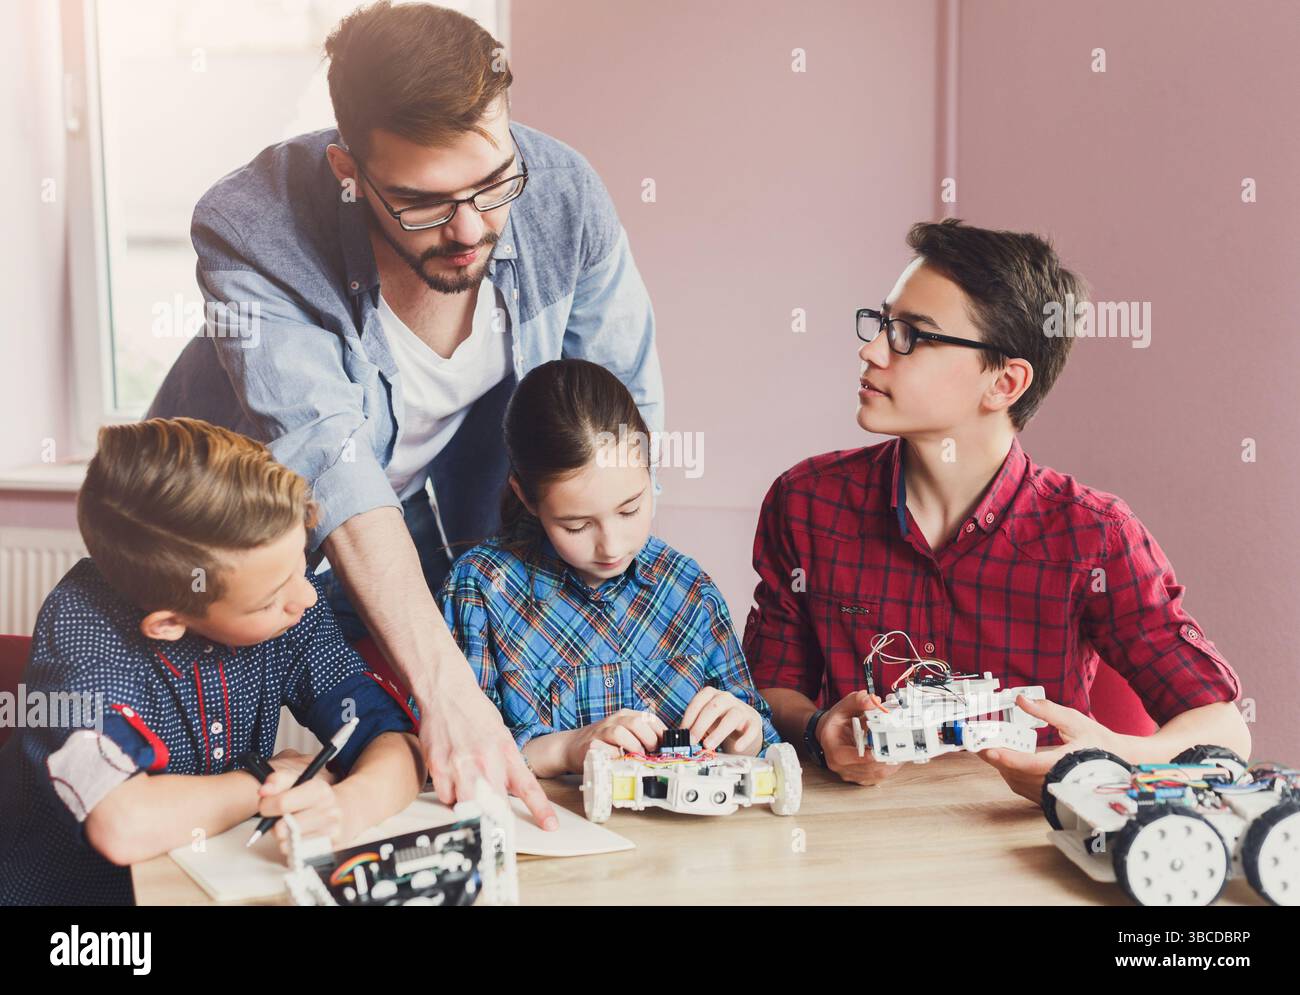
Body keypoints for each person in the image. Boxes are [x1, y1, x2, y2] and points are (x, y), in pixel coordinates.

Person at [146, 3, 663, 825]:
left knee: (410, 767)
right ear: (349, 168)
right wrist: (451, 692)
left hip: (415, 533)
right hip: (231, 552)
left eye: (492, 185)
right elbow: (327, 459)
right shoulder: (254, 226)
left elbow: (613, 414)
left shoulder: (564, 195)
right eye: (423, 202)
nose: (469, 228)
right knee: (203, 799)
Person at [743, 219, 1247, 801]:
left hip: (1027, 849)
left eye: (912, 335)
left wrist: (1110, 753)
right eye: (883, 323)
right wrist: (817, 727)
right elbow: (770, 687)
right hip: (853, 843)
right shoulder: (807, 502)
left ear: (1004, 382)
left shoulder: (1095, 536)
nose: (872, 349)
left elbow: (1224, 730)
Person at [0, 418, 425, 904]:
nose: (306, 597)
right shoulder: (85, 624)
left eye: (301, 564)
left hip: (205, 882)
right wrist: (264, 781)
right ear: (168, 623)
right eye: (267, 601)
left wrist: (344, 807)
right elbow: (122, 824)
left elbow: (398, 743)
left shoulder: (283, 589)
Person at [439, 360, 779, 776]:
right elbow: (459, 751)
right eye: (577, 525)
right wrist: (566, 750)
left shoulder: (689, 590)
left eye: (631, 509)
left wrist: (749, 736)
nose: (612, 546)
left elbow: (764, 741)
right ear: (527, 499)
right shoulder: (482, 588)